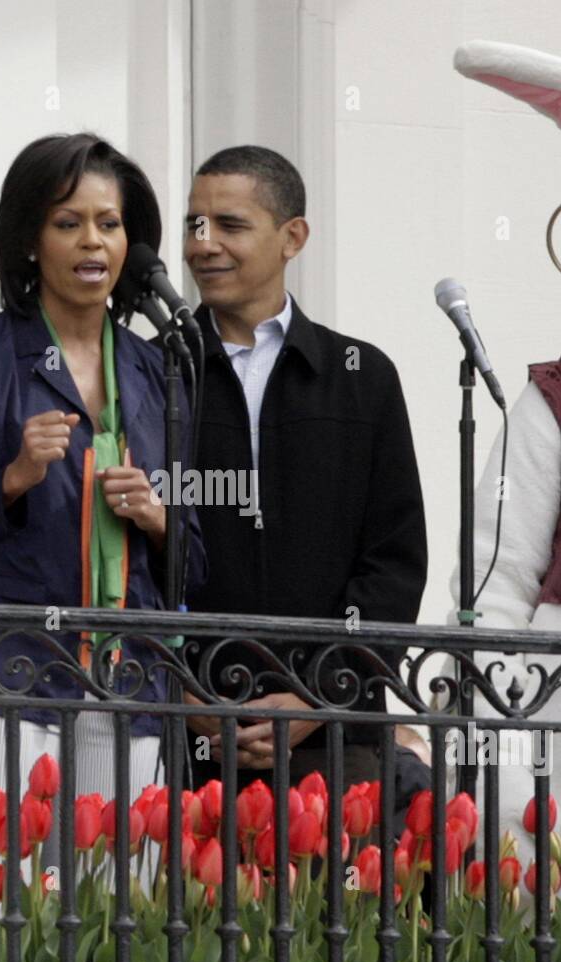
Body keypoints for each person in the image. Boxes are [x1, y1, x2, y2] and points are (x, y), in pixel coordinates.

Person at [0, 132, 206, 828]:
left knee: (119, 915)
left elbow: (198, 556)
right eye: (68, 224)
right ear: (30, 241)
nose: (92, 242)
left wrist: (158, 517)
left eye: (109, 223)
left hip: (128, 684)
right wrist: (11, 478)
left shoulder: (157, 370)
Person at [181, 145, 427, 795]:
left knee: (333, 898)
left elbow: (393, 565)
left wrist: (315, 698)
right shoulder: (153, 375)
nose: (204, 245)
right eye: (193, 225)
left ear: (293, 237)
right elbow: (129, 565)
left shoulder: (362, 377)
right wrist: (189, 696)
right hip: (183, 734)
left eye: (230, 225)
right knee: (181, 902)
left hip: (338, 737)